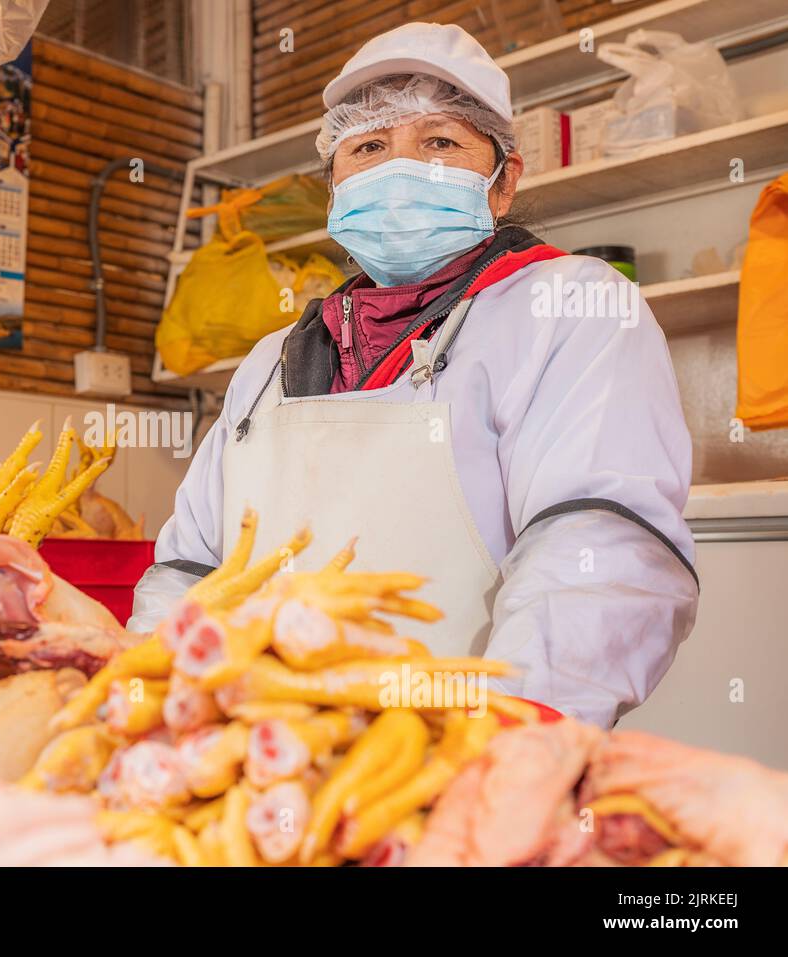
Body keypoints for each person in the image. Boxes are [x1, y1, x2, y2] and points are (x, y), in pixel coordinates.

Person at [130, 22, 698, 728]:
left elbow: (601, 546)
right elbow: (190, 571)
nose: (401, 170)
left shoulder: (571, 306)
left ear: (502, 183)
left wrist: (514, 737)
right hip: (263, 763)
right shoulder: (268, 363)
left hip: (468, 759)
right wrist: (147, 714)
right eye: (368, 147)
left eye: (440, 142)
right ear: (333, 190)